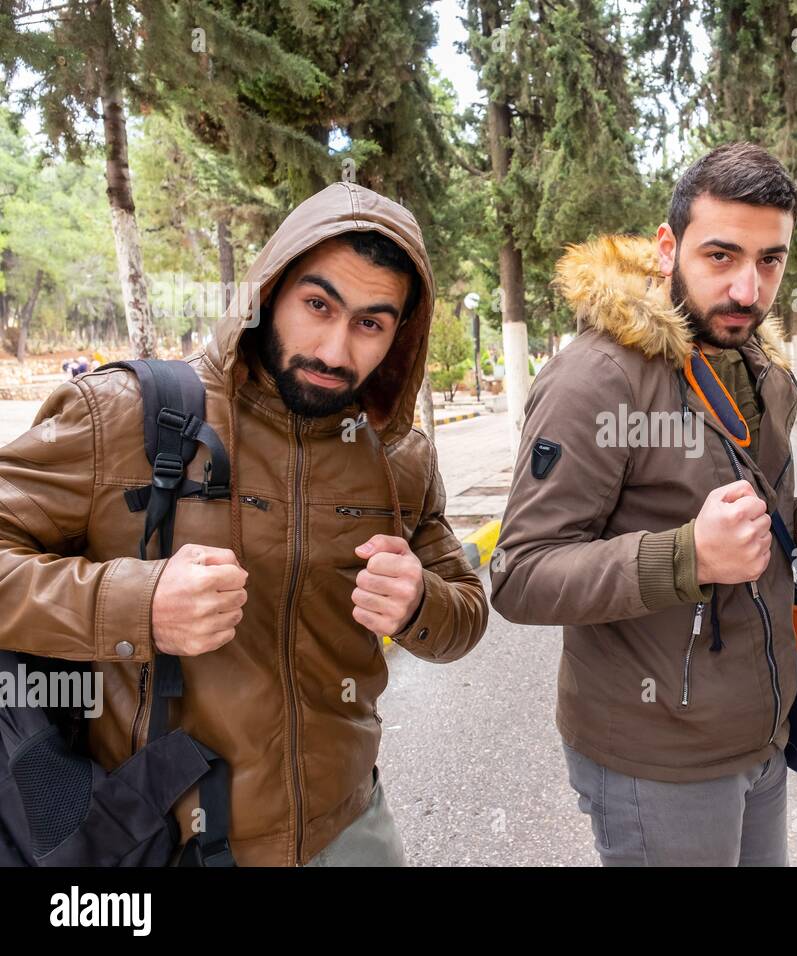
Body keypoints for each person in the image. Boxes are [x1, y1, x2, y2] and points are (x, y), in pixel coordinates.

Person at [0, 182, 490, 866]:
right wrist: (137, 604)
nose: (334, 350)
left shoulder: (399, 458)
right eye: (317, 305)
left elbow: (466, 610)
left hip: (352, 828)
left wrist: (419, 605)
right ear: (270, 290)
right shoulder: (122, 415)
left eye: (371, 324)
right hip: (161, 841)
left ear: (400, 335)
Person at [491, 142, 797, 866]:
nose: (748, 289)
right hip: (655, 761)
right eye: (721, 256)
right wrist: (688, 557)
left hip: (764, 736)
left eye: (770, 260)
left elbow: (755, 528)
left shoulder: (761, 367)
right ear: (668, 247)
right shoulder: (596, 379)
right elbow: (520, 573)